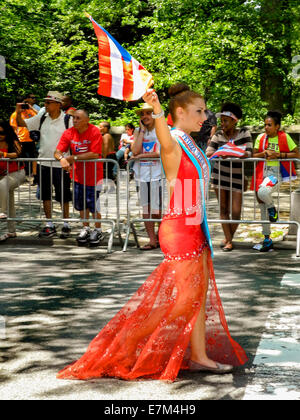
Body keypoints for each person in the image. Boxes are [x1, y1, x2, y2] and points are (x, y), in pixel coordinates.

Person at [57, 83, 247, 382]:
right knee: (183, 301)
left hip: (194, 225)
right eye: (199, 111)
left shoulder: (191, 141)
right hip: (181, 228)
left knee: (196, 295)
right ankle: (124, 342)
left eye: (205, 110)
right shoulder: (173, 138)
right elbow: (165, 139)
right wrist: (158, 111)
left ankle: (199, 356)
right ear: (180, 112)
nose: (205, 115)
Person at [15, 91, 73, 238]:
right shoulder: (42, 117)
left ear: (58, 104)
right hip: (43, 162)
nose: (45, 105)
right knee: (45, 195)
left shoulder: (68, 119)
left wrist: (72, 160)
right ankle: (50, 224)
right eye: (45, 102)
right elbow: (22, 124)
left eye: (48, 102)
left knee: (63, 195)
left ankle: (66, 223)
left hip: (61, 164)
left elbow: (74, 139)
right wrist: (18, 111)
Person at [206, 102, 252, 252]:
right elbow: (209, 152)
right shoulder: (218, 135)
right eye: (222, 120)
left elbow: (249, 152)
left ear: (234, 121)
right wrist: (220, 153)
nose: (223, 123)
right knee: (223, 208)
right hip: (219, 176)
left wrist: (234, 153)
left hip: (237, 177)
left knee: (236, 211)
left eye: (226, 120)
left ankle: (228, 237)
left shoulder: (244, 133)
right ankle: (229, 242)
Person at [54, 110, 104, 246]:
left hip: (94, 175)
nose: (74, 120)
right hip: (77, 176)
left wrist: (71, 158)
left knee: (94, 205)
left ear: (86, 120)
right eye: (73, 118)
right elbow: (57, 152)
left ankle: (98, 229)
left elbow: (94, 153)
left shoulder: (94, 131)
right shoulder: (69, 132)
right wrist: (61, 159)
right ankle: (86, 228)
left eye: (78, 118)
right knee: (81, 204)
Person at [251, 110, 299, 252]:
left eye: (269, 125)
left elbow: (297, 154)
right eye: (265, 125)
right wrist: (264, 153)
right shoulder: (260, 137)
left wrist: (279, 155)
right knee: (262, 206)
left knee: (263, 192)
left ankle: (272, 209)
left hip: (275, 173)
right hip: (261, 172)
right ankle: (267, 238)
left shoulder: (284, 137)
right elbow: (253, 154)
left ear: (277, 126)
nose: (266, 127)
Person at [131, 103, 162, 250]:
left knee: (157, 211)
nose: (145, 116)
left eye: (148, 113)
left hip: (158, 175)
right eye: (142, 114)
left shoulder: (163, 129)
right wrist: (142, 132)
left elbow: (160, 152)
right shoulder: (138, 131)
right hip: (142, 175)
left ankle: (162, 237)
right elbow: (135, 151)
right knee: (146, 210)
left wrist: (142, 155)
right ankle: (152, 240)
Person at [0, 120, 25, 242]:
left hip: (17, 173)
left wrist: (3, 154)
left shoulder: (13, 141)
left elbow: (18, 153)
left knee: (3, 184)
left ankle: (2, 211)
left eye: (2, 132)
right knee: (9, 198)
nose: (0, 135)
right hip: (3, 175)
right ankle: (11, 231)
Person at [10, 95, 38, 177]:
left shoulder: (30, 111)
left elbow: (39, 117)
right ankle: (24, 174)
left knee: (34, 158)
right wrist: (16, 140)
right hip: (21, 139)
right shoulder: (15, 114)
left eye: (25, 103)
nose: (24, 105)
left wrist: (31, 108)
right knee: (22, 158)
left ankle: (35, 175)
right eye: (22, 103)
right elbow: (13, 128)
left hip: (31, 139)